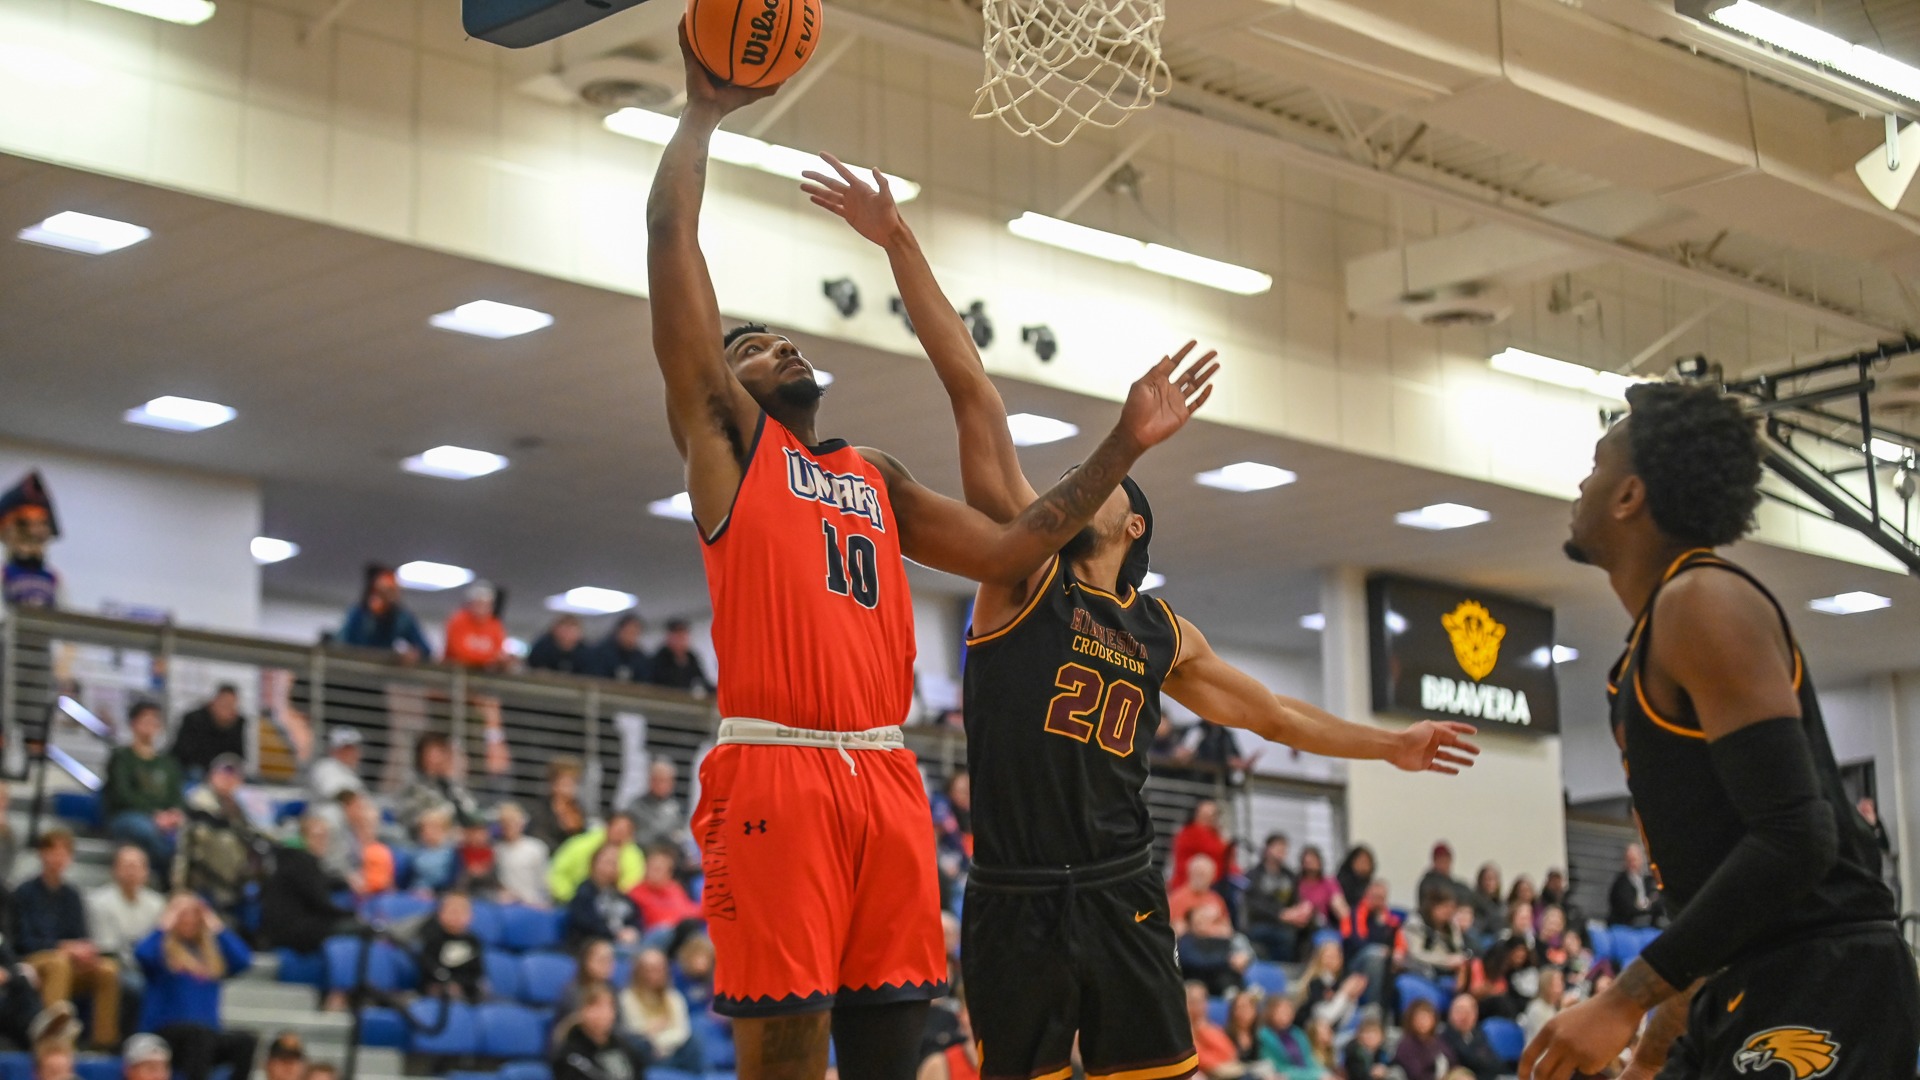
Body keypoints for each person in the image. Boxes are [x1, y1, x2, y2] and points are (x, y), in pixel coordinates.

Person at [807, 144, 1482, 1080]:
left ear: (1133, 526)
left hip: (1122, 889)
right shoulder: (1024, 572)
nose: (1078, 492)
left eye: (1116, 491)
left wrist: (1389, 745)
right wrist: (899, 241)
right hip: (1015, 893)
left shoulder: (1163, 634)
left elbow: (1274, 715)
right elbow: (971, 386)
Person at [650, 41, 1213, 1077]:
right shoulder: (730, 452)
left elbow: (1016, 539)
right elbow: (671, 242)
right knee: (782, 1059)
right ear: (719, 390)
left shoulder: (876, 475)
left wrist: (1123, 446)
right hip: (779, 764)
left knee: (892, 1050)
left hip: (888, 775)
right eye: (749, 348)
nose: (775, 346)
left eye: (779, 336)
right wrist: (701, 116)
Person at [1525, 383, 1920, 1079]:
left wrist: (1621, 1001)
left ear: (1630, 496)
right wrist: (1653, 1047)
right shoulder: (1657, 634)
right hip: (1748, 982)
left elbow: (1798, 836)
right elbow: (1731, 891)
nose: (1582, 483)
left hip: (1824, 977)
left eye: (1596, 464)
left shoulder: (1701, 599)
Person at [134, 894, 258, 1080]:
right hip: (167, 1034)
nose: (189, 920)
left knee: (245, 1041)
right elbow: (141, 954)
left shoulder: (211, 956)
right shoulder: (162, 953)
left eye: (195, 914)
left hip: (205, 1037)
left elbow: (243, 959)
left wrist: (216, 925)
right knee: (199, 1035)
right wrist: (164, 924)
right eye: (183, 915)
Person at [16, 831, 118, 1050]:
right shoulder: (24, 892)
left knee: (107, 970)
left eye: (64, 852)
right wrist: (63, 947)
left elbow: (81, 935)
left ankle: (102, 1044)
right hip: (33, 962)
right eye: (54, 851)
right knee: (58, 962)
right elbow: (23, 941)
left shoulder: (72, 895)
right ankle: (55, 1042)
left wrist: (85, 952)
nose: (59, 858)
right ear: (42, 854)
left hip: (68, 960)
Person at [174, 754, 270, 915]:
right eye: (223, 773)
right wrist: (231, 809)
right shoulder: (200, 795)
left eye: (233, 775)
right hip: (204, 861)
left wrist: (240, 806)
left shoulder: (245, 800)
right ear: (212, 776)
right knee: (223, 839)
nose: (228, 779)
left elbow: (260, 829)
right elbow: (208, 820)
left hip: (238, 864)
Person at [103, 701, 185, 885]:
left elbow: (176, 797)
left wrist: (173, 814)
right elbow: (121, 795)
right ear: (133, 723)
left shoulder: (168, 763)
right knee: (147, 831)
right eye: (144, 720)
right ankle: (168, 880)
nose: (150, 725)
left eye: (154, 721)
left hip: (163, 821)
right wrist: (155, 816)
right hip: (126, 817)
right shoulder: (121, 757)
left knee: (187, 837)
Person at [260, 812, 356, 954]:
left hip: (283, 930)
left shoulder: (294, 860)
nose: (322, 842)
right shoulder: (303, 863)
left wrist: (344, 882)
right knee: (362, 928)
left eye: (325, 837)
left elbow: (323, 881)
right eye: (317, 837)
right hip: (293, 933)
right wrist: (352, 915)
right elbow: (321, 904)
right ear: (303, 838)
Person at [86, 846, 165, 1017]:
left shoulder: (157, 903)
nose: (132, 872)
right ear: (115, 870)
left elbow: (161, 944)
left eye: (137, 867)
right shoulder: (99, 902)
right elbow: (107, 950)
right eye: (127, 866)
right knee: (136, 985)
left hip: (149, 963)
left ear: (146, 872)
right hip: (116, 964)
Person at [622, 948, 698, 1073]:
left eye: (659, 968)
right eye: (649, 969)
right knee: (639, 1044)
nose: (654, 974)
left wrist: (657, 1036)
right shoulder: (628, 997)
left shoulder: (674, 997)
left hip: (675, 1050)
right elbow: (634, 1030)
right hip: (648, 1054)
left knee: (694, 1042)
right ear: (639, 971)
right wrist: (651, 1033)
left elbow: (682, 1031)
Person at [551, 983, 646, 1080]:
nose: (604, 1013)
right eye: (596, 1006)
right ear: (583, 1011)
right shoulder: (571, 1055)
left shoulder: (625, 1048)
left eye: (609, 1006)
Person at [1242, 833, 1312, 963]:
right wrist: (1280, 914)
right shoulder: (1253, 875)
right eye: (1278, 849)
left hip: (1285, 924)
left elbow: (1295, 900)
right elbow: (1254, 904)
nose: (1282, 853)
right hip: (1260, 922)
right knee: (1282, 937)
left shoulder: (1290, 876)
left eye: (1284, 850)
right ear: (1267, 849)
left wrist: (1301, 910)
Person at [338, 564, 431, 660]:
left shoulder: (401, 618)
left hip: (385, 669)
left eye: (391, 592)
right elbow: (342, 645)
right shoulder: (358, 615)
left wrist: (413, 654)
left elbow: (425, 650)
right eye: (381, 592)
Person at [549, 813, 644, 904]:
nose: (619, 833)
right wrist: (569, 897)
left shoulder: (635, 857)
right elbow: (557, 871)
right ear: (608, 826)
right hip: (570, 898)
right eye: (617, 828)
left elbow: (632, 885)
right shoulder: (580, 844)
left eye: (624, 830)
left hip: (610, 904)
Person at [399, 732, 483, 834]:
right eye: (432, 753)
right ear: (421, 757)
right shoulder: (415, 787)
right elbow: (412, 819)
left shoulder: (452, 785)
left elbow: (471, 811)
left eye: (442, 752)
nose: (439, 758)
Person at [417, 892, 485, 1004]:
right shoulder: (433, 938)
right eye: (452, 911)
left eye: (461, 912)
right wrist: (445, 982)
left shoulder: (473, 942)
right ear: (440, 914)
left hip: (466, 991)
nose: (456, 916)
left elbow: (476, 973)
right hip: (437, 989)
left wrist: (461, 984)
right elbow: (427, 966)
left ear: (470, 916)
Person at [567, 846, 643, 948]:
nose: (610, 868)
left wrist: (633, 931)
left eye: (614, 863)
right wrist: (616, 934)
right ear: (594, 865)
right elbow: (586, 924)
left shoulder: (622, 897)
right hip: (596, 947)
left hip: (627, 944)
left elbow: (635, 919)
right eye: (607, 862)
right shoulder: (583, 894)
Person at [169, 686, 246, 780]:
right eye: (224, 704)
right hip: (190, 768)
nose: (227, 709)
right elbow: (186, 754)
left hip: (221, 772)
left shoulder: (237, 723)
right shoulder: (194, 719)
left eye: (231, 705)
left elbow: (237, 756)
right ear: (214, 702)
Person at [1178, 904, 1253, 997]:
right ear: (1190, 924)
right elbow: (1198, 961)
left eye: (1205, 920)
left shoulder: (1217, 940)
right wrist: (1229, 960)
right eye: (1198, 921)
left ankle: (1242, 992)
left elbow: (1232, 957)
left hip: (1219, 980)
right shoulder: (1185, 941)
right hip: (1195, 980)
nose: (1202, 924)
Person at [1404, 884, 1469, 986]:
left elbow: (1459, 948)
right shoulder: (1415, 924)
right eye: (1445, 907)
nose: (1448, 912)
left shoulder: (1451, 926)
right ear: (1432, 906)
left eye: (1452, 908)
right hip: (1423, 970)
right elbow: (1416, 954)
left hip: (1450, 972)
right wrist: (1445, 961)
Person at [1295, 939, 1366, 1030]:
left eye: (1336, 956)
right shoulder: (1314, 983)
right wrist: (1344, 993)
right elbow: (1324, 1018)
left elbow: (1344, 1021)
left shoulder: (1339, 982)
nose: (1332, 960)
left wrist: (1352, 998)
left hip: (1335, 1032)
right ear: (1319, 959)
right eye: (1328, 956)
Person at [629, 845, 700, 934]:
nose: (654, 873)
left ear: (669, 873)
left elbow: (691, 909)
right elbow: (657, 918)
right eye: (653, 868)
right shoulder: (636, 892)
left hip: (679, 931)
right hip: (655, 935)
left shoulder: (674, 888)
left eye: (660, 869)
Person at [1169, 800, 1237, 892]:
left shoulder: (1213, 833)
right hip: (1190, 886)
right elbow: (1218, 851)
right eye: (1208, 815)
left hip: (1209, 885)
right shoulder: (1192, 832)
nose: (1212, 818)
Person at [494, 802, 552, 908]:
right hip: (506, 906)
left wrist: (544, 902)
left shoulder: (536, 848)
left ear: (522, 823)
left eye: (513, 822)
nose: (509, 827)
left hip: (533, 904)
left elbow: (544, 880)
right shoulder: (497, 850)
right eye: (505, 823)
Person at [443, 582, 510, 671]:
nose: (482, 608)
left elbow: (498, 652)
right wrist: (487, 659)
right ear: (470, 604)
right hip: (456, 672)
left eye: (486, 604)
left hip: (484, 675)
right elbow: (459, 653)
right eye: (479, 603)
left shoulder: (495, 625)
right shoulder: (457, 621)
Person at [625, 761, 687, 853]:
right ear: (650, 780)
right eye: (659, 780)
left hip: (667, 857)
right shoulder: (636, 806)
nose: (663, 785)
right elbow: (633, 836)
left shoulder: (677, 808)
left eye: (668, 780)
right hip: (641, 854)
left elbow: (680, 835)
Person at [529, 757, 589, 850]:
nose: (569, 789)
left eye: (573, 783)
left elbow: (584, 838)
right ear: (553, 784)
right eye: (565, 784)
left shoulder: (578, 809)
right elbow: (539, 839)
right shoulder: (540, 809)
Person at [1183, 982, 1238, 1080]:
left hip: (1224, 1071)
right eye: (1193, 1001)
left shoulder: (1210, 1028)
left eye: (1202, 1001)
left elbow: (1230, 1053)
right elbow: (1197, 1059)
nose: (1199, 1006)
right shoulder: (1183, 1031)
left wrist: (1204, 1028)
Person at [1255, 995, 1318, 1080]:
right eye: (1282, 1011)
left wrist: (1322, 1073)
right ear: (1270, 1012)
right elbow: (1277, 1068)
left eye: (1289, 1010)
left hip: (1307, 1075)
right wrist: (1314, 1075)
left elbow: (1310, 1060)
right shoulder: (1263, 1036)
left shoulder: (1298, 1033)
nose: (1287, 1014)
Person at [1440, 993, 1502, 1080]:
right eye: (1459, 1011)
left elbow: (1494, 1063)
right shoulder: (1443, 1037)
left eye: (1468, 1011)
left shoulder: (1479, 1034)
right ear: (1451, 1013)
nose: (1464, 1016)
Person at [1168, 853, 1230, 935]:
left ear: (1212, 877)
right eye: (1197, 873)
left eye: (1203, 874)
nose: (1199, 878)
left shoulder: (1216, 900)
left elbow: (1227, 929)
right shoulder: (1177, 898)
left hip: (1214, 943)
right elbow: (1175, 929)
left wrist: (1211, 928)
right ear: (1189, 873)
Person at [646, 619, 712, 695]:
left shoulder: (692, 659)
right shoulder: (658, 660)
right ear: (669, 637)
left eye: (683, 636)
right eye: (677, 636)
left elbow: (703, 682)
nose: (680, 640)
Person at [1391, 998, 1449, 1080]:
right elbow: (1415, 1073)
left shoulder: (1438, 1042)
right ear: (1411, 1020)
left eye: (1426, 1018)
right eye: (1420, 1018)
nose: (1423, 1022)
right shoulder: (1405, 1045)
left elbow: (1452, 1062)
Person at [1604, 843, 1660, 929]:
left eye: (1634, 860)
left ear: (1641, 860)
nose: (1632, 863)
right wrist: (1648, 905)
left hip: (1648, 928)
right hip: (1624, 928)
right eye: (1629, 860)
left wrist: (1645, 905)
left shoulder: (1649, 881)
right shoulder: (1620, 883)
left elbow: (1658, 901)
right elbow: (1626, 907)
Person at [588, 614, 653, 683]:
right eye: (628, 632)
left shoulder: (641, 660)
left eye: (635, 633)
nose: (631, 637)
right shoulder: (601, 653)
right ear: (619, 631)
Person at [307, 727, 366, 802]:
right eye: (346, 749)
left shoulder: (351, 773)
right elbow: (342, 795)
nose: (352, 753)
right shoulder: (326, 767)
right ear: (333, 750)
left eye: (353, 749)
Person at [1293, 845, 1345, 927]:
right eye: (1307, 863)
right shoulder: (1295, 882)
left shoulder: (1328, 883)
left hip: (1320, 924)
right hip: (1297, 924)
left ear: (1320, 863)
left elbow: (1340, 906)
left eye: (1313, 862)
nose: (1310, 866)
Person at [410, 808, 458, 894]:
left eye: (434, 828)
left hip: (441, 894)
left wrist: (434, 892)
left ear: (444, 830)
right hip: (414, 892)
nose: (428, 832)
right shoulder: (414, 853)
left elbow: (453, 880)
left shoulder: (453, 853)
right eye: (425, 829)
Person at [1341, 1009, 1391, 1080]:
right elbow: (1356, 1074)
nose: (1370, 1037)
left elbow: (1391, 1064)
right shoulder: (1353, 1053)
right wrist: (1372, 1074)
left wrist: (1385, 1070)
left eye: (1374, 1033)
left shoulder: (1382, 1053)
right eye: (1366, 1032)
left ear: (1382, 1037)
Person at [1419, 842, 1467, 907]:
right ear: (1434, 861)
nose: (1445, 864)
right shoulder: (1428, 884)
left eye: (1447, 860)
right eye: (1441, 860)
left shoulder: (1457, 886)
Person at [1335, 846, 1376, 914]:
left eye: (1367, 862)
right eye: (1361, 861)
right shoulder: (1342, 881)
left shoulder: (1369, 884)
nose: (1364, 865)